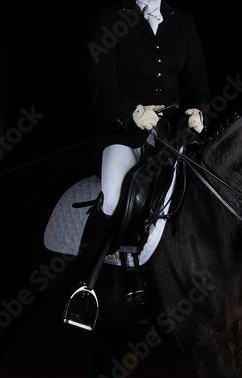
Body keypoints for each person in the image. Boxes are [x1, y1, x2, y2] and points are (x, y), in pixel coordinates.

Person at [64, 0, 210, 330]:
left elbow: (196, 82)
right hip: (124, 132)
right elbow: (99, 84)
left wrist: (197, 109)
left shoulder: (183, 22)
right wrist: (132, 111)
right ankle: (83, 288)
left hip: (172, 135)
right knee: (114, 198)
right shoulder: (110, 16)